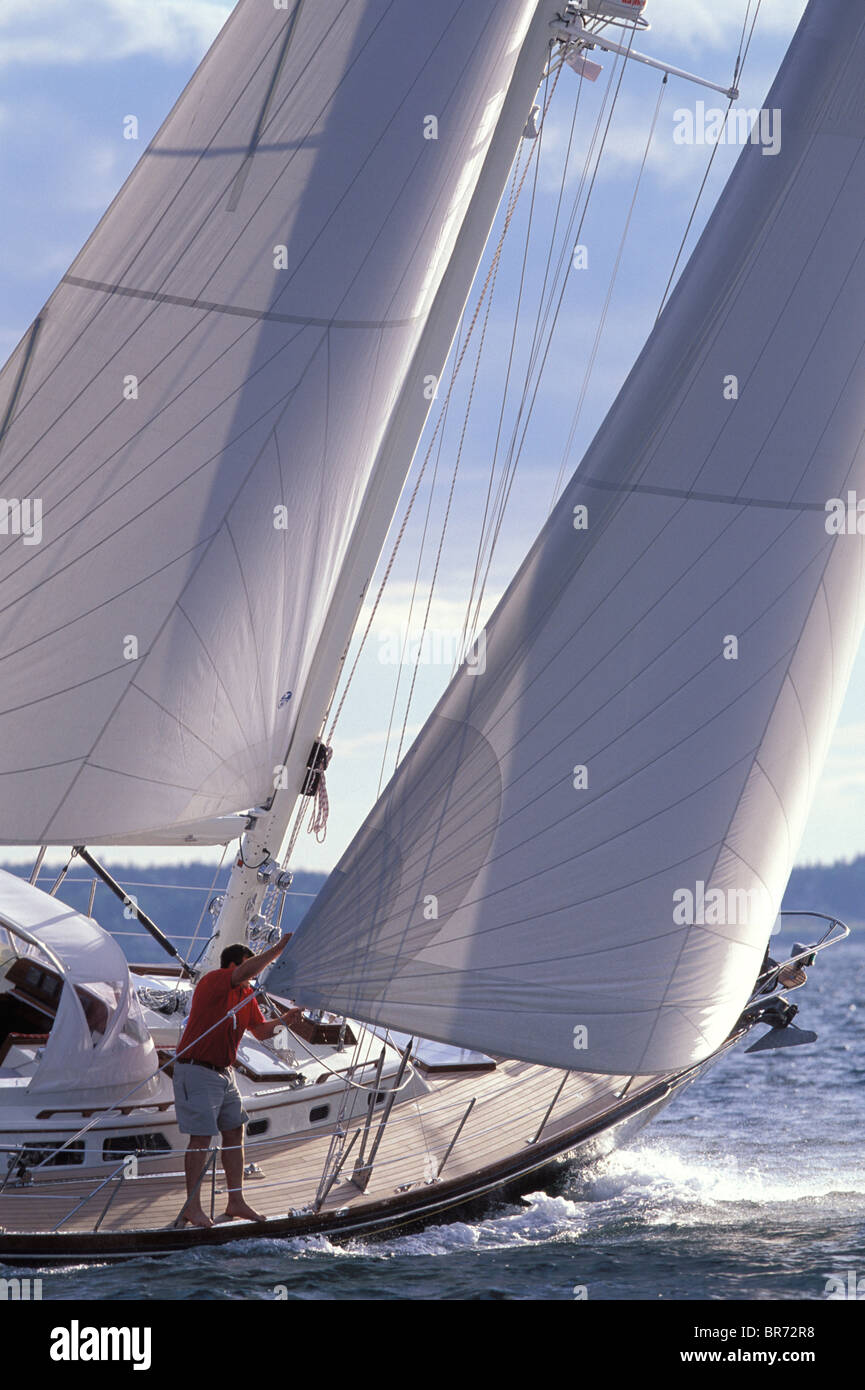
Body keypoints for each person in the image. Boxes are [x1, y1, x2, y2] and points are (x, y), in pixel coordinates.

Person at [173, 936, 301, 1228]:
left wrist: (287, 1021)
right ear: (233, 966)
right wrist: (278, 949)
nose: (254, 975)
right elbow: (244, 974)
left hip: (224, 1072)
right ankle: (192, 1207)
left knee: (234, 1131)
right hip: (196, 1069)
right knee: (201, 1139)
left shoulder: (246, 997)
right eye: (249, 968)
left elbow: (261, 1031)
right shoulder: (214, 981)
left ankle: (236, 1200)